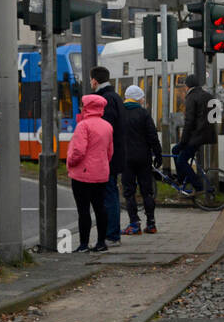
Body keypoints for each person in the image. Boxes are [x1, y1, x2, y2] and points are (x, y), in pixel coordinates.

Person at [66, 93, 114, 252]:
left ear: (86, 107)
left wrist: (70, 162)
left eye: (82, 105)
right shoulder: (107, 126)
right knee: (100, 208)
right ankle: (101, 242)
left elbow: (78, 151)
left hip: (82, 175)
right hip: (101, 173)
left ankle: (84, 244)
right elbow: (110, 152)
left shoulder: (83, 126)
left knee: (83, 210)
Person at [89, 66, 127, 245]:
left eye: (91, 81)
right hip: (116, 153)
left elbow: (104, 131)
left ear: (95, 81)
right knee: (110, 192)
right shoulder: (116, 97)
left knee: (109, 194)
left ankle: (112, 234)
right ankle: (112, 232)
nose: (90, 84)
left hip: (108, 156)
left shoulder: (105, 100)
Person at [120, 85, 163, 234]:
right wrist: (158, 155)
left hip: (125, 159)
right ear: (138, 98)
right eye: (142, 97)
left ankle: (134, 224)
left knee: (129, 191)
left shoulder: (120, 113)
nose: (143, 100)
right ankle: (151, 224)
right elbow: (152, 136)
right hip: (143, 158)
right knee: (147, 191)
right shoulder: (144, 113)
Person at [173, 73, 214, 192]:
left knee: (181, 159)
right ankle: (182, 180)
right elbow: (215, 117)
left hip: (196, 136)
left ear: (188, 86)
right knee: (175, 150)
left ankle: (197, 186)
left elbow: (189, 122)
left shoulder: (191, 97)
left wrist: (183, 141)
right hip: (206, 135)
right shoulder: (209, 96)